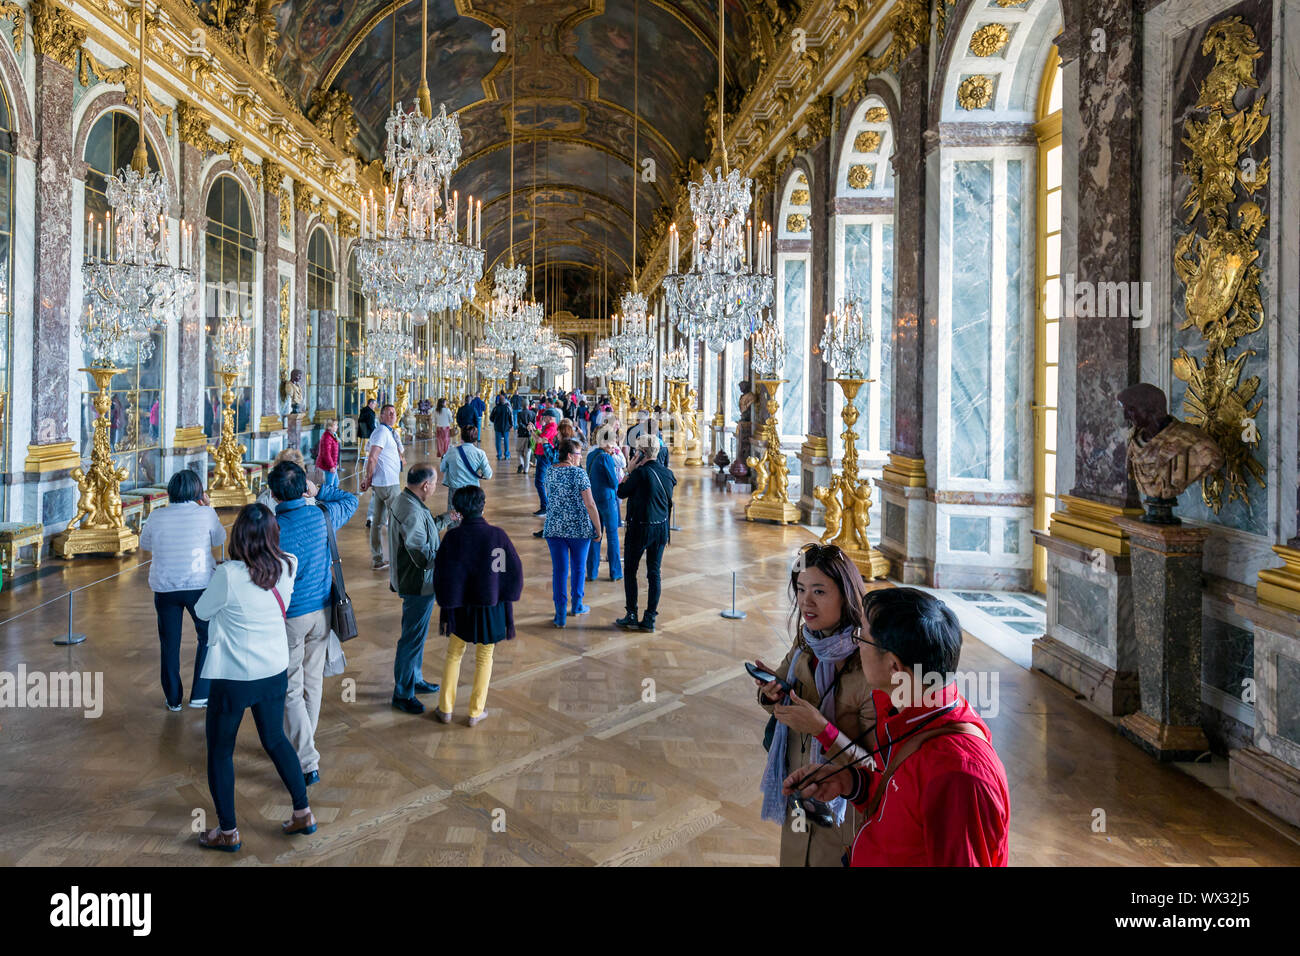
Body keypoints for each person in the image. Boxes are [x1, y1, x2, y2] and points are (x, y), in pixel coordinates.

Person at [781, 587, 1010, 867]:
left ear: (894, 667)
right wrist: (851, 783)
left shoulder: (958, 776)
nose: (856, 645)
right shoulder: (910, 712)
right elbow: (904, 802)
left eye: (861, 637)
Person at [194, 503, 315, 852]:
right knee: (275, 739)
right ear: (273, 535)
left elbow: (202, 611)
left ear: (239, 537)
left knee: (220, 751)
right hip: (274, 669)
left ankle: (228, 831)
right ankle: (303, 811)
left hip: (234, 677)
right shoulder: (288, 564)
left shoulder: (229, 575)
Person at [752, 543, 875, 867]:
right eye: (801, 589)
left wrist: (822, 728)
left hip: (842, 809)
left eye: (819, 591)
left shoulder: (870, 665)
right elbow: (782, 704)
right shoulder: (808, 640)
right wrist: (771, 693)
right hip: (798, 787)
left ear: (845, 594)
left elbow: (876, 767)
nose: (806, 601)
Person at [267, 460, 358, 787]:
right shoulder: (323, 516)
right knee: (313, 681)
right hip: (321, 612)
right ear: (303, 488)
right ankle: (306, 743)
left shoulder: (273, 528)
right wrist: (319, 491)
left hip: (290, 618)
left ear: (275, 494)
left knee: (291, 687)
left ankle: (306, 759)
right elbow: (351, 500)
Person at [432, 486, 523, 727]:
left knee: (454, 654)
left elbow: (443, 573)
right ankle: (475, 712)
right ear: (483, 505)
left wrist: (447, 599)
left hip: (460, 606)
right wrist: (503, 593)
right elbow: (509, 571)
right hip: (490, 605)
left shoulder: (453, 538)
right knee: (485, 657)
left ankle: (445, 708)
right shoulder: (496, 536)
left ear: (458, 511)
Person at [139, 469, 226, 711]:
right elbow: (220, 539)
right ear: (198, 492)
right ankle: (200, 694)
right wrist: (210, 507)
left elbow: (144, 544)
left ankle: (174, 699)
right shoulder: (205, 514)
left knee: (169, 643)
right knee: (207, 636)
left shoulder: (157, 516)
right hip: (200, 586)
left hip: (165, 588)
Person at [388, 463, 456, 715]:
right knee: (412, 639)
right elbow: (419, 550)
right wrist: (446, 556)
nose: (436, 487)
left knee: (415, 636)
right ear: (425, 485)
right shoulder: (412, 511)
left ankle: (414, 678)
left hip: (413, 579)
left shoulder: (406, 500)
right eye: (435, 483)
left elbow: (424, 532)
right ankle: (403, 693)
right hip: (417, 582)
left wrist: (448, 517)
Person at [615, 433, 676, 633]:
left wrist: (629, 470)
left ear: (641, 452)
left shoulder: (639, 474)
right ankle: (649, 618)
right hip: (661, 529)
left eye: (636, 451)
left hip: (640, 528)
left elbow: (621, 492)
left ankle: (632, 614)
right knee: (654, 572)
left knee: (631, 571)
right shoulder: (667, 473)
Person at [543, 438, 603, 628]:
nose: (580, 457)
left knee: (559, 571)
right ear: (570, 455)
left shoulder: (550, 471)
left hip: (554, 528)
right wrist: (598, 528)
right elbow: (590, 504)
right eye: (578, 454)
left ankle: (560, 615)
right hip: (578, 529)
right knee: (578, 568)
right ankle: (577, 606)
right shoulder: (579, 474)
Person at [361, 403, 405, 570]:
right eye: (389, 413)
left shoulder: (387, 432)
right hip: (387, 484)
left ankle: (378, 558)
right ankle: (398, 558)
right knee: (399, 521)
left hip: (383, 483)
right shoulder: (381, 432)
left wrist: (370, 479)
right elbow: (372, 458)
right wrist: (368, 477)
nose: (393, 416)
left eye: (394, 413)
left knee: (378, 523)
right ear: (382, 416)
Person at [585, 436, 622, 582]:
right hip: (607, 500)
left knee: (595, 534)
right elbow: (613, 483)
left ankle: (592, 572)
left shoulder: (590, 456)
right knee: (612, 535)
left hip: (593, 497)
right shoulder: (606, 458)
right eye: (613, 444)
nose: (614, 448)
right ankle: (615, 572)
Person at [440, 424, 493, 513]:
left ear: (461, 437)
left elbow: (442, 468)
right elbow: (488, 475)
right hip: (473, 490)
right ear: (475, 438)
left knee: (454, 517)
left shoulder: (451, 451)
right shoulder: (480, 453)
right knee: (472, 516)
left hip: (456, 490)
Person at [532, 408, 560, 516]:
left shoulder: (552, 427)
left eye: (545, 416)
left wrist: (531, 432)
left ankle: (545, 506)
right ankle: (546, 505)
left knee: (539, 482)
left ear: (550, 417)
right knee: (542, 481)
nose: (544, 418)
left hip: (544, 456)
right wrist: (534, 430)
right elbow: (540, 437)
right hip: (541, 455)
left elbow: (539, 440)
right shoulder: (548, 426)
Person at [315, 419, 340, 492]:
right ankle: (327, 501)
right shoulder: (327, 437)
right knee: (329, 485)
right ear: (330, 427)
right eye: (335, 425)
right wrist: (331, 466)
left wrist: (335, 463)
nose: (337, 427)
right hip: (328, 465)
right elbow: (326, 454)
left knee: (336, 483)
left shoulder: (332, 435)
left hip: (332, 464)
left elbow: (334, 453)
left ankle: (333, 498)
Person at [490, 394, 514, 461]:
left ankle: (499, 455)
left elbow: (491, 418)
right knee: (506, 441)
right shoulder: (507, 408)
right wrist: (511, 425)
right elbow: (510, 418)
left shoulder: (496, 408)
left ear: (498, 401)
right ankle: (506, 455)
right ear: (504, 401)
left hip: (498, 427)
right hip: (506, 427)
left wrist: (495, 421)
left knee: (498, 442)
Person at [515, 403, 533, 474]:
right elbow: (533, 423)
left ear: (522, 406)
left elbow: (519, 423)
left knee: (519, 451)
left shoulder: (520, 413)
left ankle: (521, 463)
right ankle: (526, 470)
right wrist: (529, 428)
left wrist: (525, 427)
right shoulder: (533, 413)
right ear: (528, 405)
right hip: (530, 435)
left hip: (521, 434)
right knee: (528, 452)